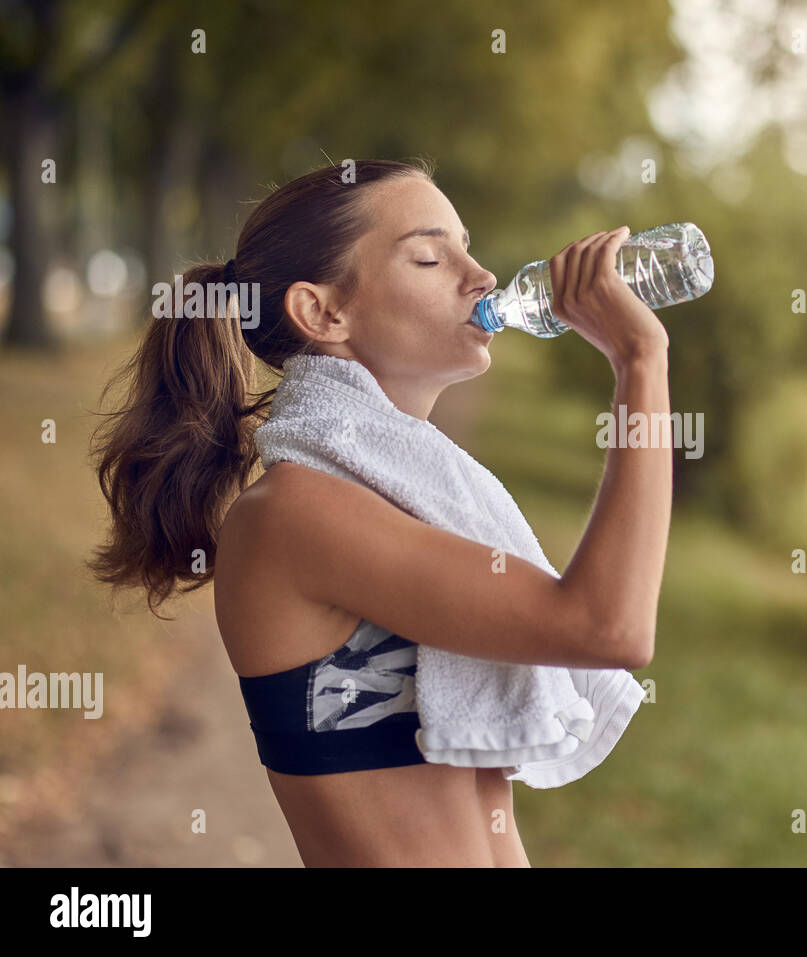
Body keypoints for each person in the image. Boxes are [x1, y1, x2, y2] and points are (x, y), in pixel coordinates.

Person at [87, 159, 673, 867]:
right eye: (430, 256)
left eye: (466, 245)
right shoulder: (293, 513)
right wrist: (641, 362)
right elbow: (607, 627)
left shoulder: (410, 494)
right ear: (323, 312)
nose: (482, 276)